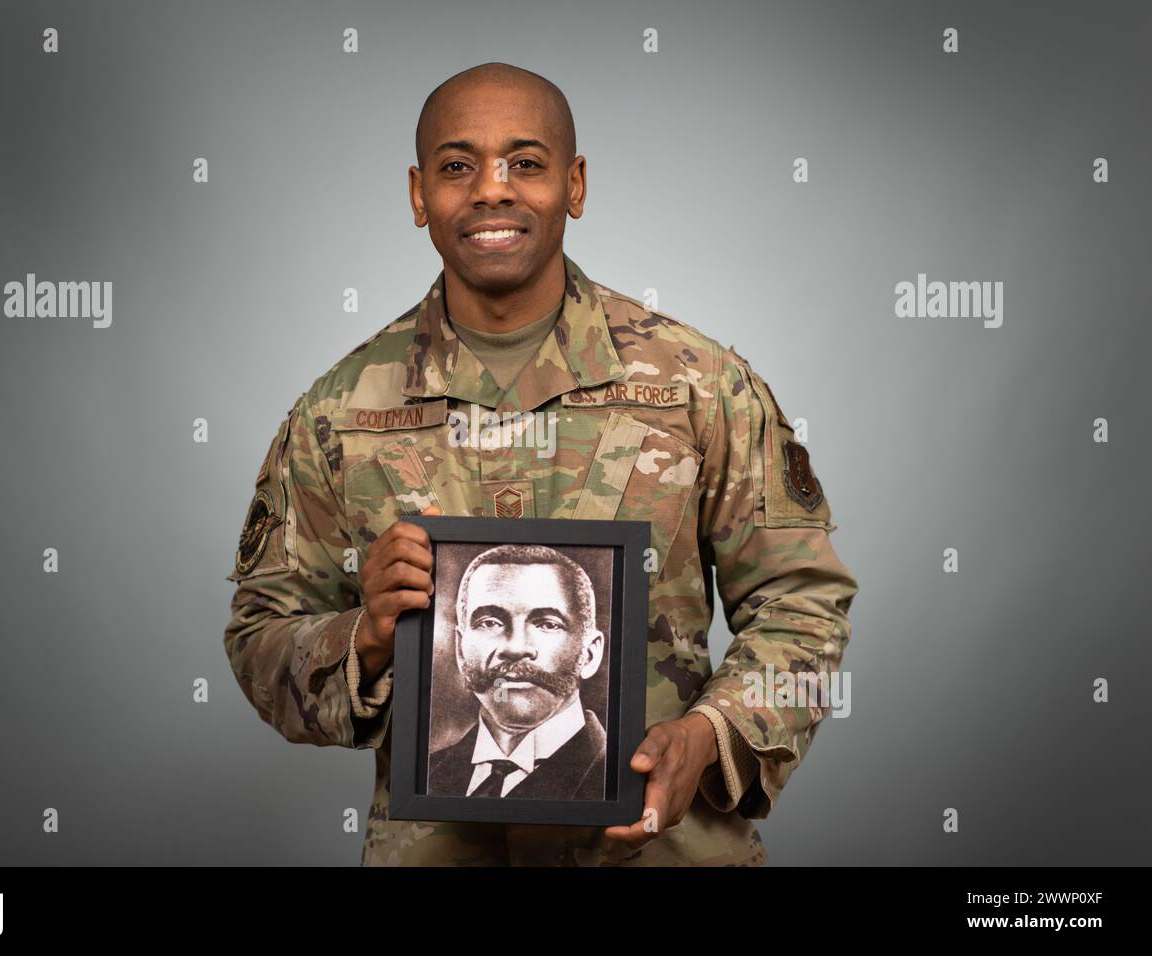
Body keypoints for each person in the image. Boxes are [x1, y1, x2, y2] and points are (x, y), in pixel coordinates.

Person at [223, 61, 859, 866]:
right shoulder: (338, 414)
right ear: (419, 196)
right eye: (458, 167)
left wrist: (712, 734)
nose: (492, 190)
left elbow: (801, 604)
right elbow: (259, 640)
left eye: (526, 163)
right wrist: (365, 637)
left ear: (575, 185)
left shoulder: (700, 387)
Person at [427, 544, 606, 800]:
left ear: (590, 654)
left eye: (547, 624)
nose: (515, 647)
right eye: (490, 623)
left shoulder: (617, 780)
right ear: (459, 648)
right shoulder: (429, 775)